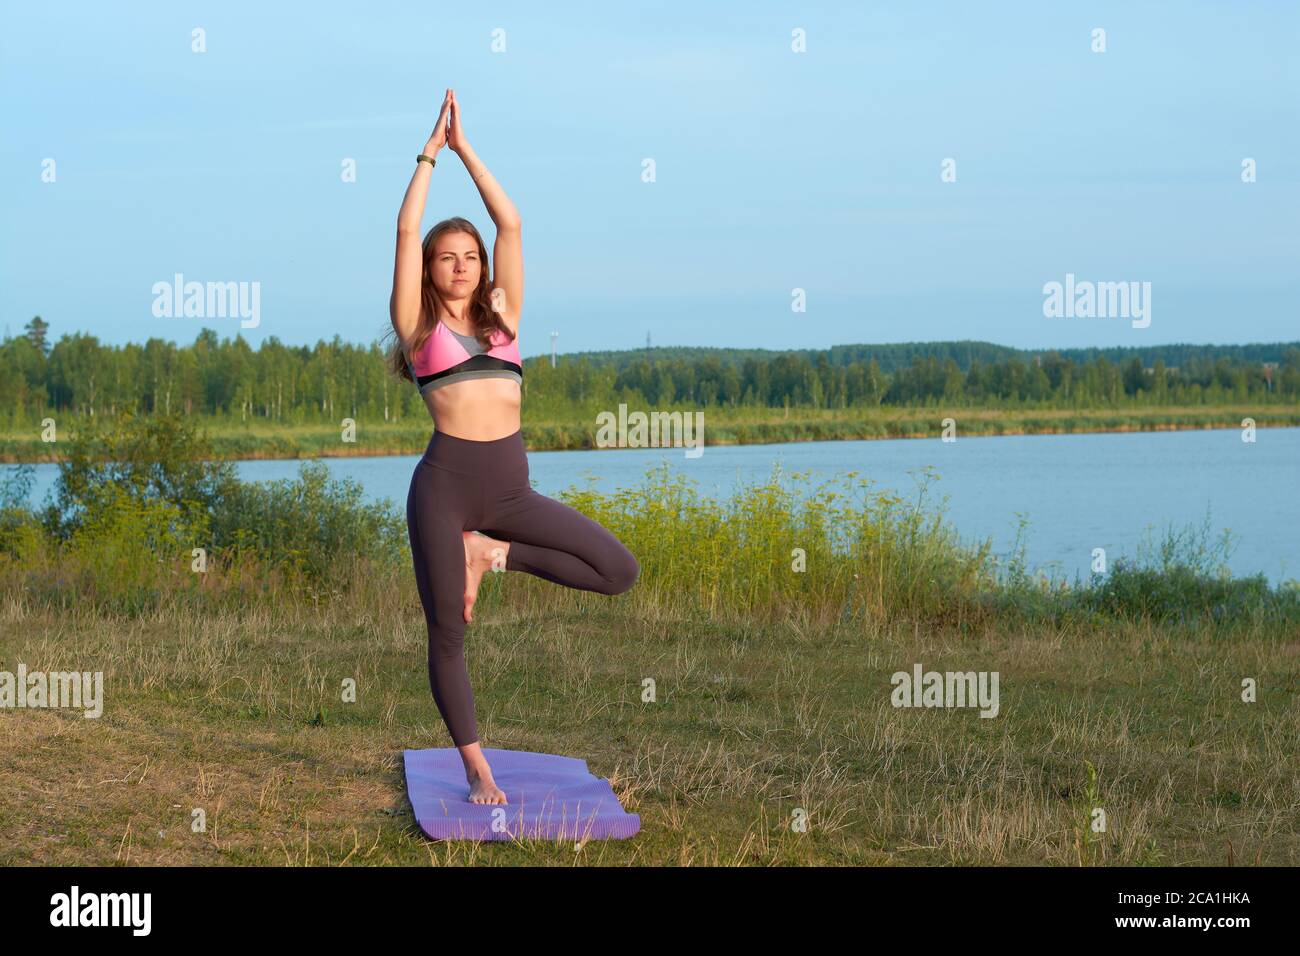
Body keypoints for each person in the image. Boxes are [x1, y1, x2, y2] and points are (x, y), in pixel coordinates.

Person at [387, 89, 639, 805]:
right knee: (447, 633)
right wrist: (431, 153)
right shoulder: (419, 332)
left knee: (618, 570)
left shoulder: (506, 320)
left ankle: (490, 553)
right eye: (448, 258)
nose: (462, 266)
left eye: (470, 256)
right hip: (444, 492)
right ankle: (476, 767)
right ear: (432, 270)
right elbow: (405, 231)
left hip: (509, 494)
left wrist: (469, 148)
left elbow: (512, 221)